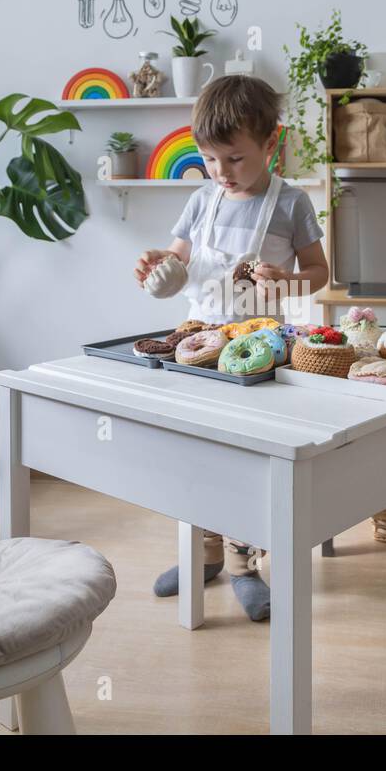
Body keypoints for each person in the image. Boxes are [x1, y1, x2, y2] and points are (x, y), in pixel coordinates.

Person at [133, 74, 328, 620]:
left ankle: (244, 561)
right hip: (196, 341)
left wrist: (283, 283)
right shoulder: (201, 200)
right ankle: (204, 554)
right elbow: (177, 268)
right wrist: (157, 270)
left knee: (245, 454)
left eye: (235, 159)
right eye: (211, 159)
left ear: (272, 144)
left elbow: (318, 273)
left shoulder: (290, 204)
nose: (222, 172)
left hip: (257, 347)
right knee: (193, 448)